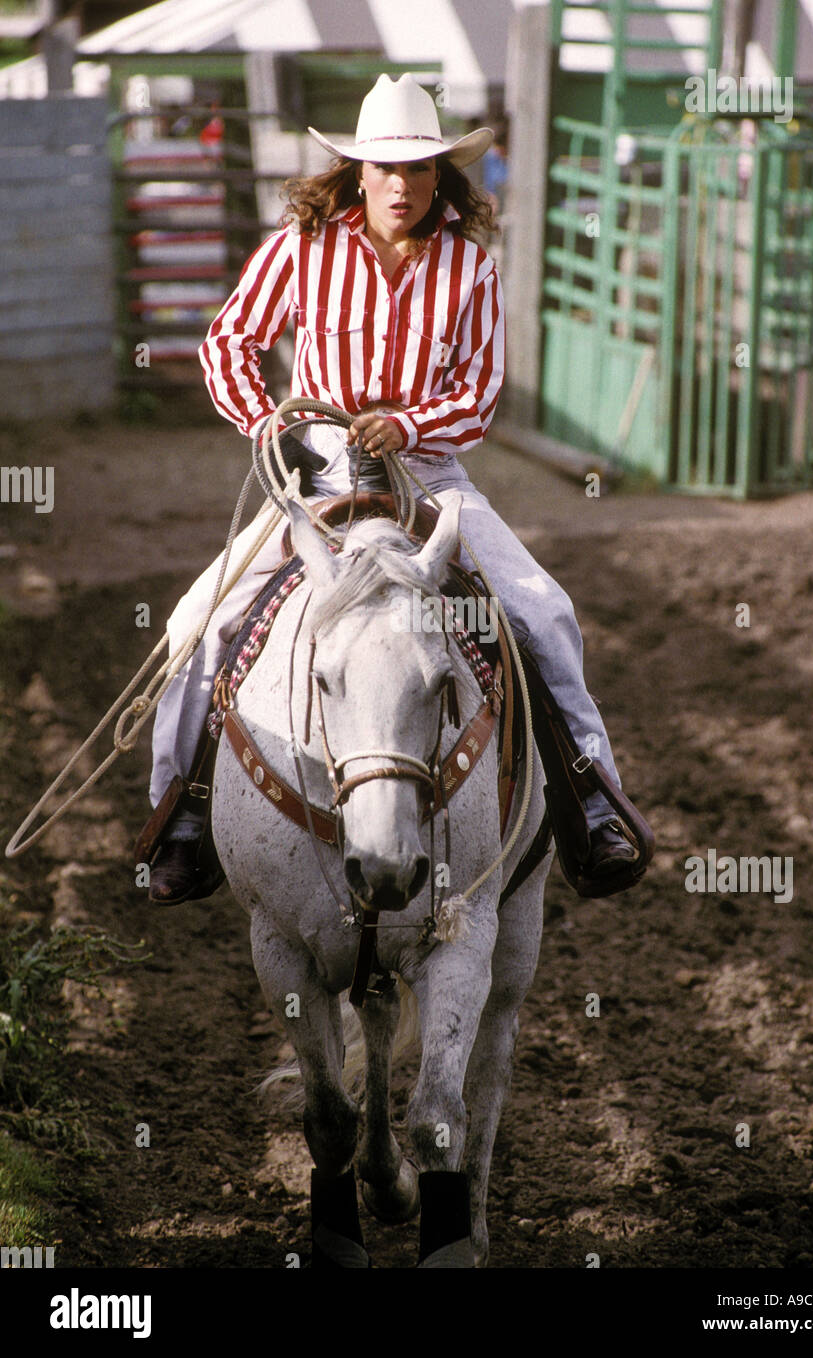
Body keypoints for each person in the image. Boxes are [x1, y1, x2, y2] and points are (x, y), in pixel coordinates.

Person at [146, 73, 642, 905]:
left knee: (542, 610)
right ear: (358, 173)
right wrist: (271, 425)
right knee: (199, 619)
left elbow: (479, 395)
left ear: (441, 177)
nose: (401, 186)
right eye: (385, 168)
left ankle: (593, 802)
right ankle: (183, 814)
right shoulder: (301, 248)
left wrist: (408, 427)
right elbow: (227, 343)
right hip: (318, 475)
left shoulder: (469, 270)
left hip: (430, 477)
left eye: (418, 170)